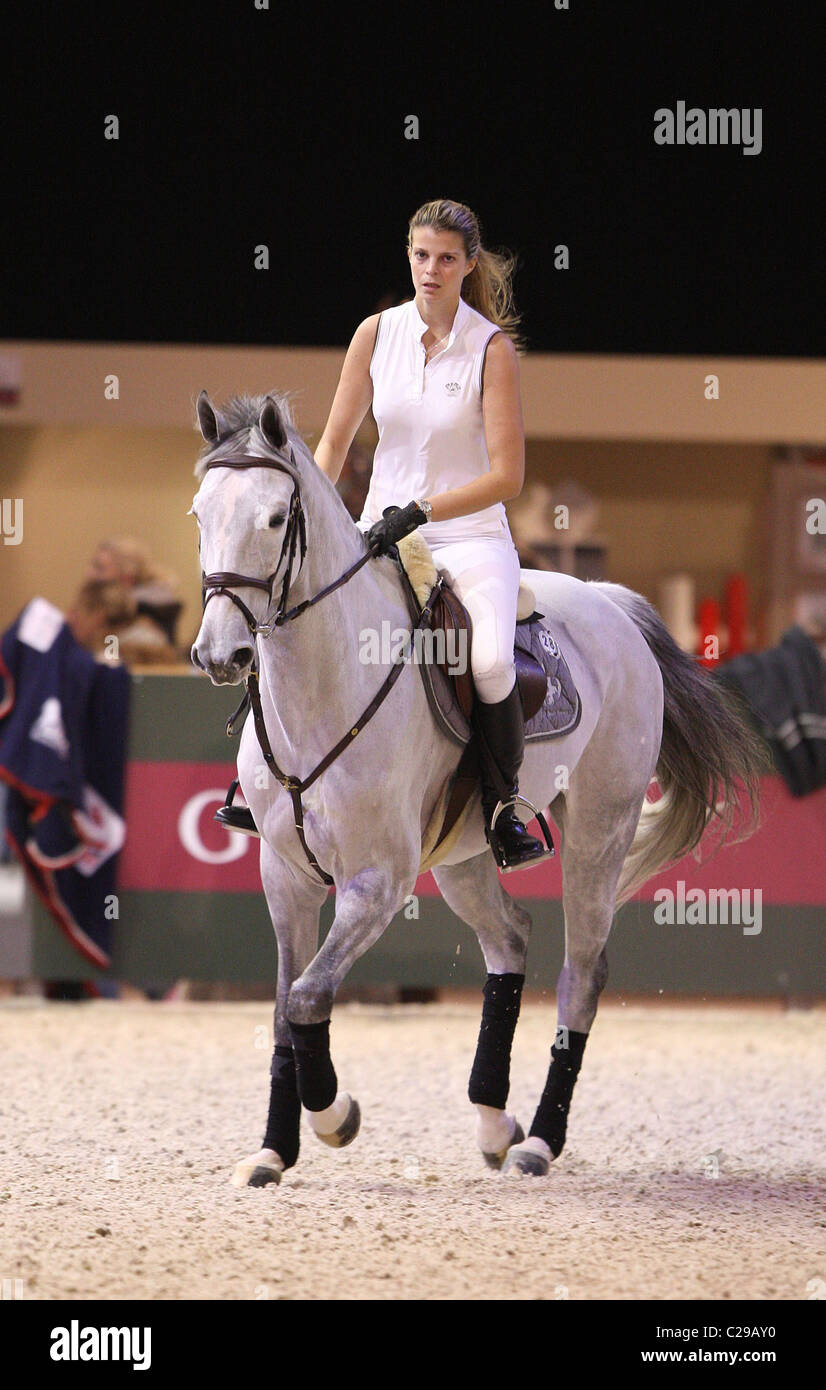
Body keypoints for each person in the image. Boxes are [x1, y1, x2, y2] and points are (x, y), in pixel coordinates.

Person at [314, 198, 547, 870]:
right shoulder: (374, 334)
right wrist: (314, 515)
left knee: (492, 662)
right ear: (409, 256)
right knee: (298, 621)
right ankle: (262, 784)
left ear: (468, 264)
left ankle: (504, 811)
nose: (431, 269)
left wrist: (421, 510)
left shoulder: (491, 350)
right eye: (421, 255)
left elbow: (509, 477)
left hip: (468, 538)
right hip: (379, 534)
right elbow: (333, 442)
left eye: (446, 258)